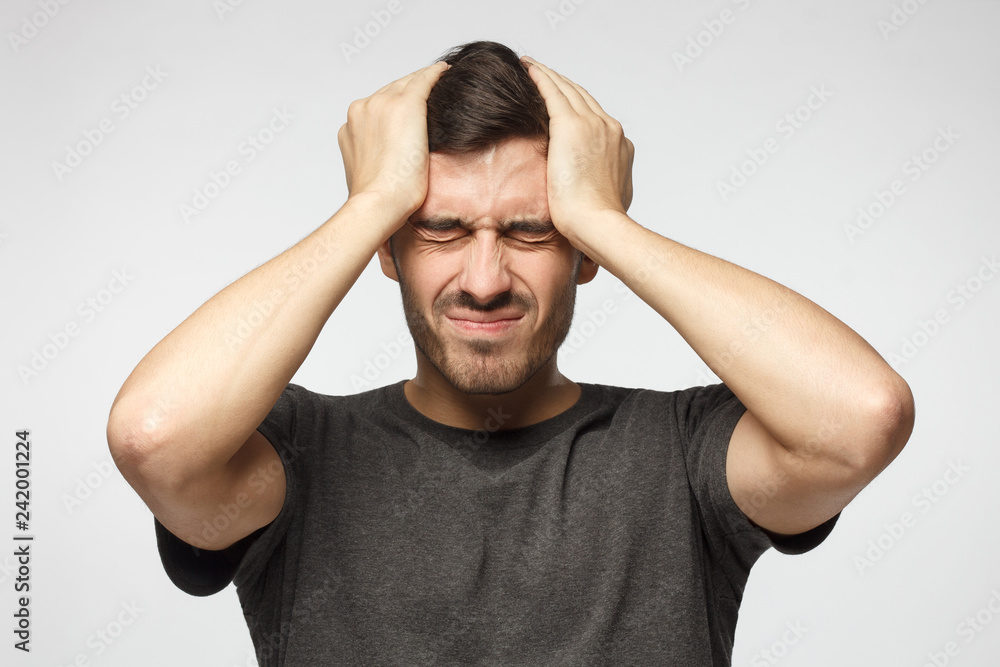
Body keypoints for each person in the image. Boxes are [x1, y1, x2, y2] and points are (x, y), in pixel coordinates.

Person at [107, 41, 915, 666]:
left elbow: (861, 417)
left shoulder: (684, 455)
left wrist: (604, 220)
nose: (485, 280)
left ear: (583, 252)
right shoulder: (293, 454)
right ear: (388, 247)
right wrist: (372, 203)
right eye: (442, 229)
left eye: (531, 231)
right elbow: (154, 436)